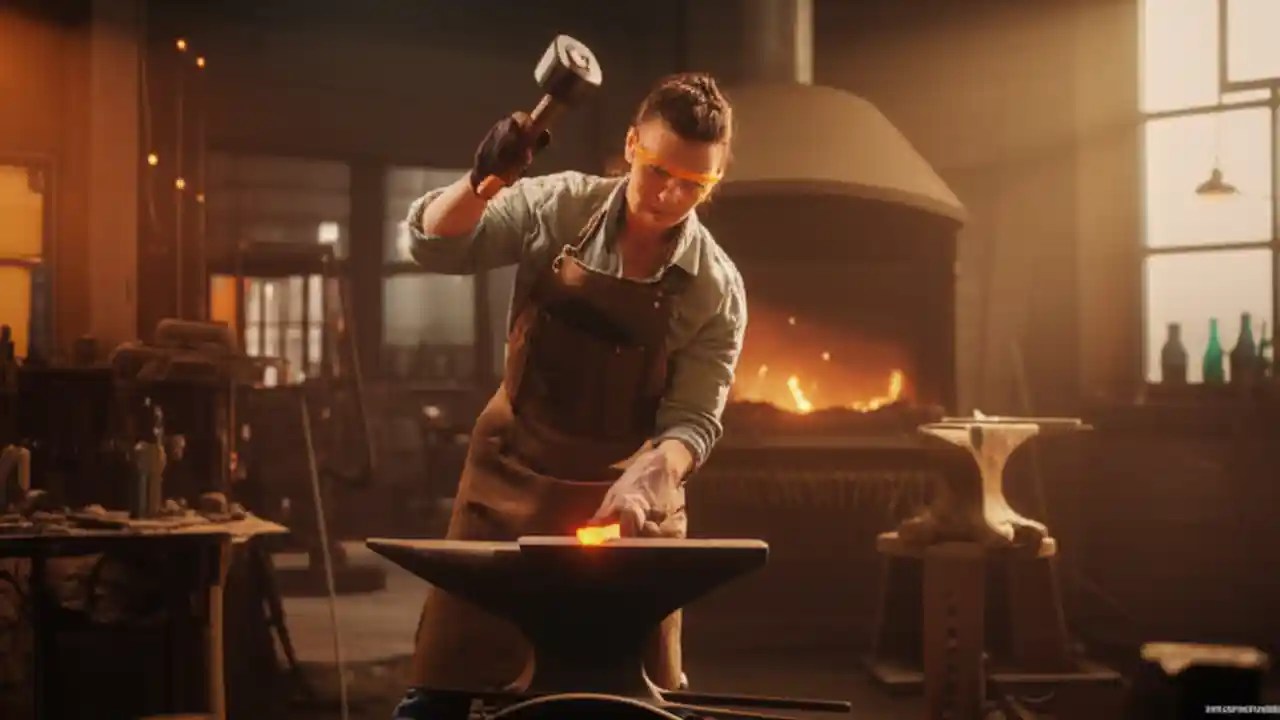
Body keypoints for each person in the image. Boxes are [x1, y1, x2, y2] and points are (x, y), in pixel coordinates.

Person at [405, 72, 748, 697]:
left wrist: (654, 472)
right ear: (630, 146)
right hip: (510, 484)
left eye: (694, 185)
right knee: (445, 688)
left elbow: (695, 420)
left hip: (627, 510)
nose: (670, 195)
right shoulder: (558, 206)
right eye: (658, 171)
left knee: (631, 701)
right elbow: (435, 245)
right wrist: (482, 184)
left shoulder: (715, 286)